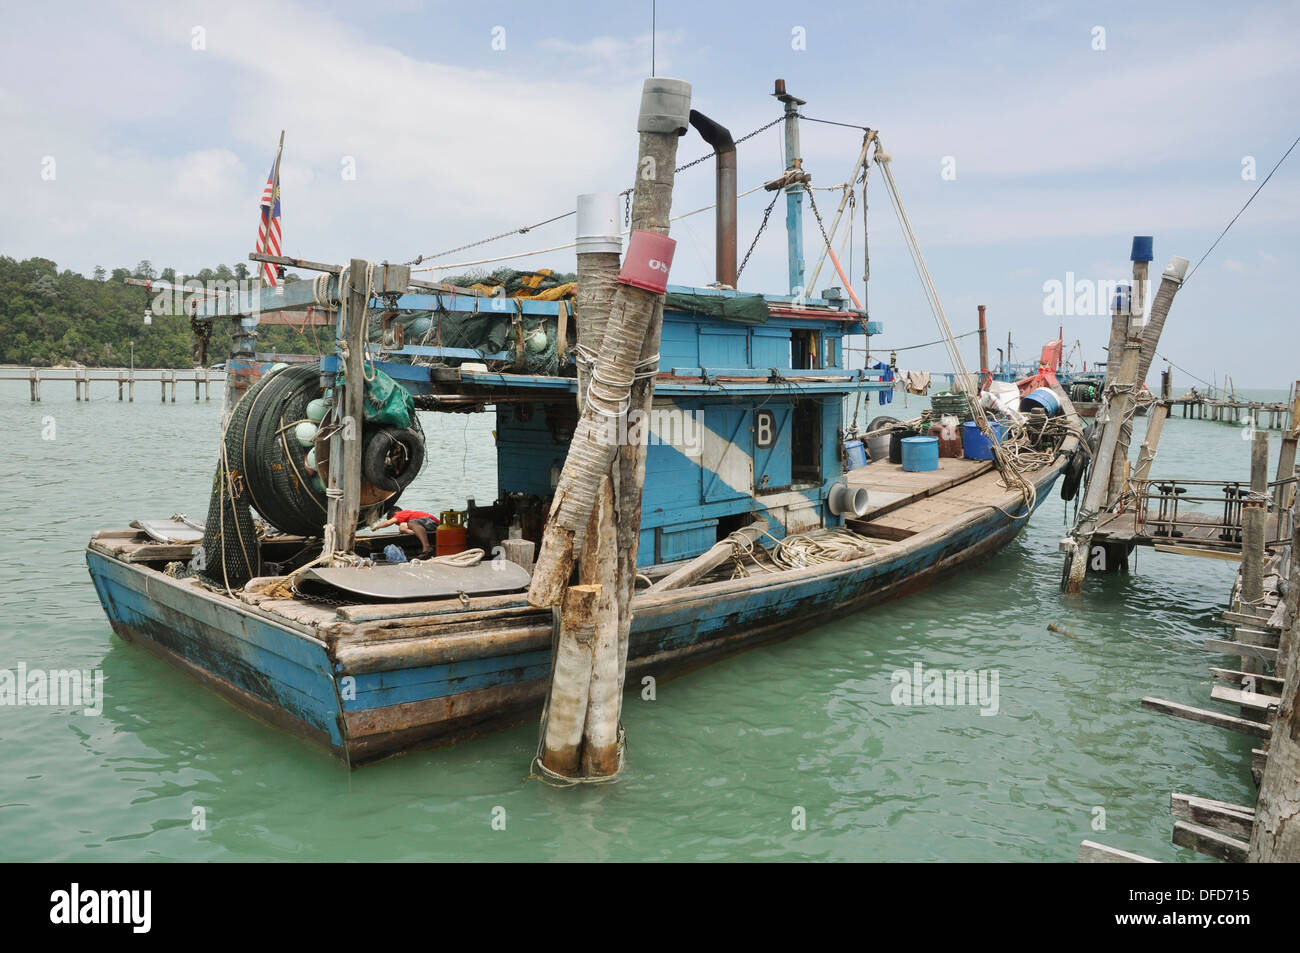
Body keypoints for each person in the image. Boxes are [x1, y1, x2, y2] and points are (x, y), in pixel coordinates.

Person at [372, 506, 440, 557]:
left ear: (395, 513)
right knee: (402, 527)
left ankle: (427, 547)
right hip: (427, 526)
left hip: (432, 523)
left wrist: (376, 527)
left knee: (405, 525)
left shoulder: (402, 513)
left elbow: (388, 523)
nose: (396, 524)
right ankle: (416, 533)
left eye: (395, 522)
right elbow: (402, 527)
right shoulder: (407, 521)